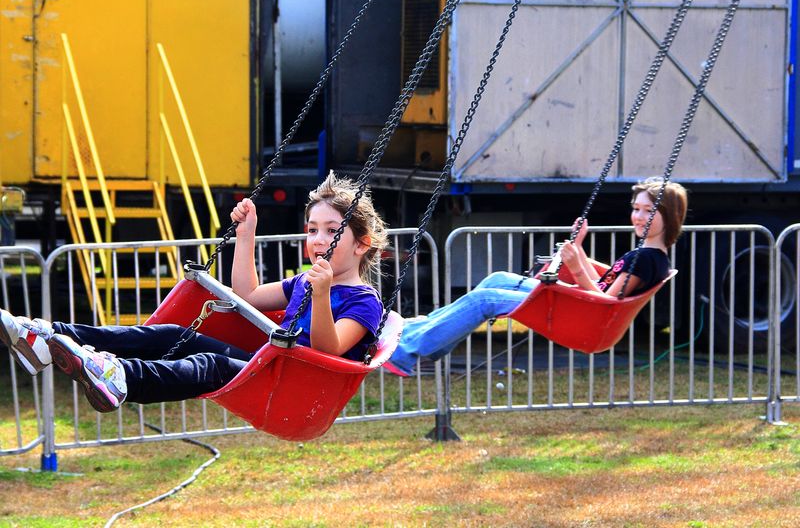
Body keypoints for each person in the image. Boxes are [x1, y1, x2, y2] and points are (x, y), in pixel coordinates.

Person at [0, 173, 388, 412]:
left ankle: (121, 377)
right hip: (269, 366)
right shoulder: (306, 280)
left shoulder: (364, 302)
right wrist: (246, 236)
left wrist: (321, 298)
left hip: (296, 389)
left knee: (211, 365)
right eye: (311, 229)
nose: (318, 239)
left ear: (361, 244)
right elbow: (248, 296)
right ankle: (51, 335)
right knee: (174, 335)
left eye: (331, 230)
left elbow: (329, 351)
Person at [384, 178, 688, 377]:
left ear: (669, 215)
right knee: (497, 278)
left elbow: (606, 300)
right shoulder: (652, 257)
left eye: (649, 211)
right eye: (636, 209)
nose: (638, 217)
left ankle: (407, 351)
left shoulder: (645, 260)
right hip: (581, 303)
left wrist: (577, 267)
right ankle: (422, 333)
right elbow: (608, 282)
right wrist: (578, 248)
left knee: (484, 300)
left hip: (584, 313)